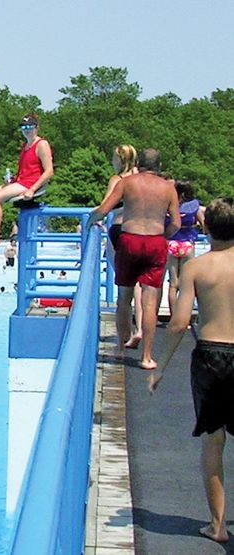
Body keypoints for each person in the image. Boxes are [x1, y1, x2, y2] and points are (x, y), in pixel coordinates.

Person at [148, 198, 234, 544]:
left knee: (214, 442)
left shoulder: (196, 268)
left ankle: (218, 525)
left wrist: (161, 367)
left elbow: (180, 323)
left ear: (205, 227)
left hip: (212, 354)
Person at [86, 149, 180, 368]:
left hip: (130, 240)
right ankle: (146, 357)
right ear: (159, 164)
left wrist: (90, 221)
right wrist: (162, 237)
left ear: (139, 163)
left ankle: (119, 348)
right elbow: (175, 223)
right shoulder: (168, 188)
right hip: (155, 242)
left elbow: (104, 209)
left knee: (124, 298)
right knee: (149, 302)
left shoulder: (127, 183)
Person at [0, 114, 54, 253]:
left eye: (30, 126)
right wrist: (11, 180)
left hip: (30, 184)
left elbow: (49, 172)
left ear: (36, 127)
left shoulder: (41, 144)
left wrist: (32, 189)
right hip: (20, 180)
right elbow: (26, 170)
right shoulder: (25, 145)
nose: (27, 129)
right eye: (23, 127)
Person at [100, 145, 144, 348]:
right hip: (141, 231)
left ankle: (122, 341)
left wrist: (94, 219)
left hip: (119, 229)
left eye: (114, 157)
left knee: (124, 288)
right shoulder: (141, 178)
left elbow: (107, 204)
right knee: (140, 286)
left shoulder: (117, 180)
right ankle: (140, 328)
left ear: (120, 160)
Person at [166, 180, 206, 316]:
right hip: (188, 244)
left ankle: (173, 317)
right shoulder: (194, 207)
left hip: (171, 244)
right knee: (186, 284)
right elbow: (204, 225)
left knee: (173, 284)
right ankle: (184, 317)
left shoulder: (169, 205)